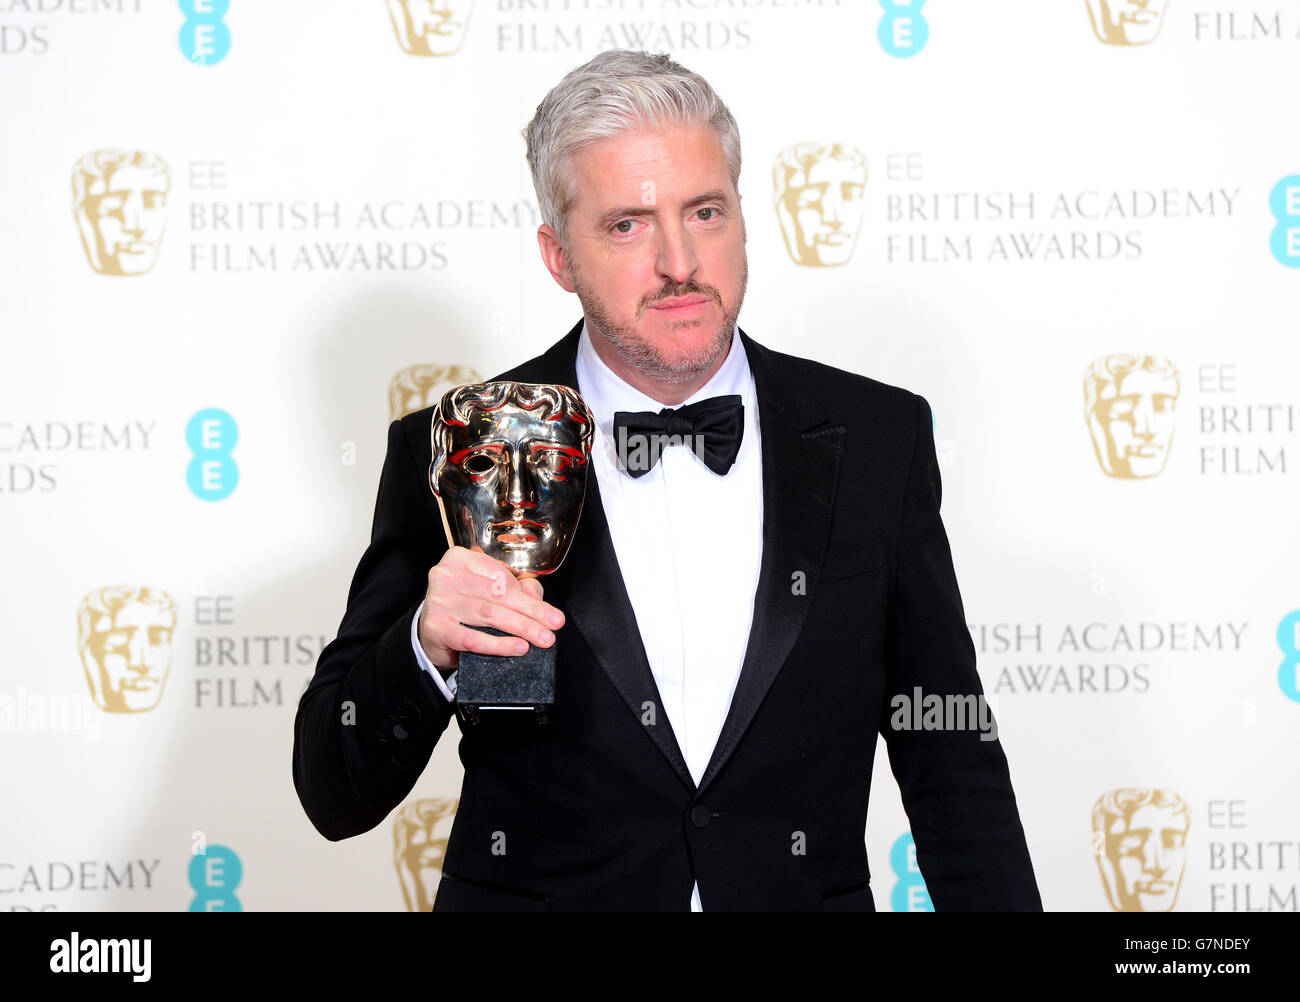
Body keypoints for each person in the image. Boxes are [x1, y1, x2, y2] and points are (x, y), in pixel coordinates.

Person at [292, 48, 1043, 911]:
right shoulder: (461, 446)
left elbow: (949, 756)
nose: (680, 260)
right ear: (557, 254)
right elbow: (332, 789)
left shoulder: (879, 438)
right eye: (627, 224)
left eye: (706, 212)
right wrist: (427, 643)